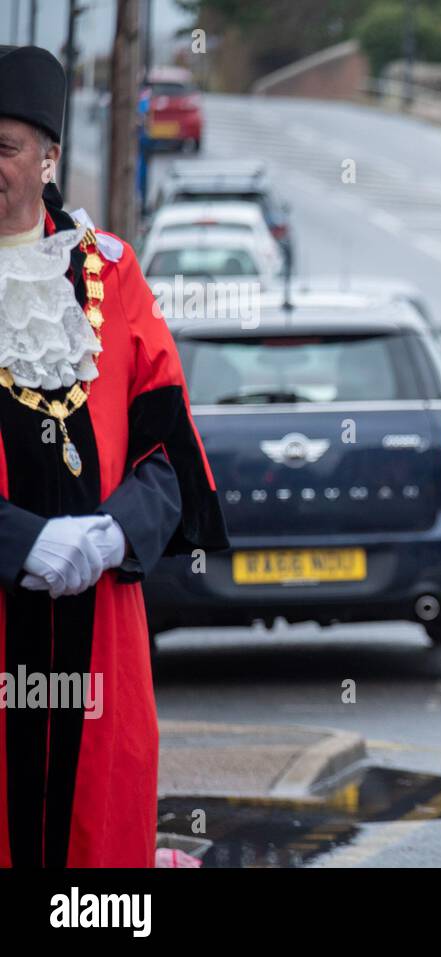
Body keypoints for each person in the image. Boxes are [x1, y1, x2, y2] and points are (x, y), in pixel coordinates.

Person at [0, 45, 228, 867]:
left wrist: (110, 533)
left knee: (97, 844)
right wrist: (19, 540)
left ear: (50, 157)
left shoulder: (114, 276)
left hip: (101, 630)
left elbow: (168, 449)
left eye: (4, 146)